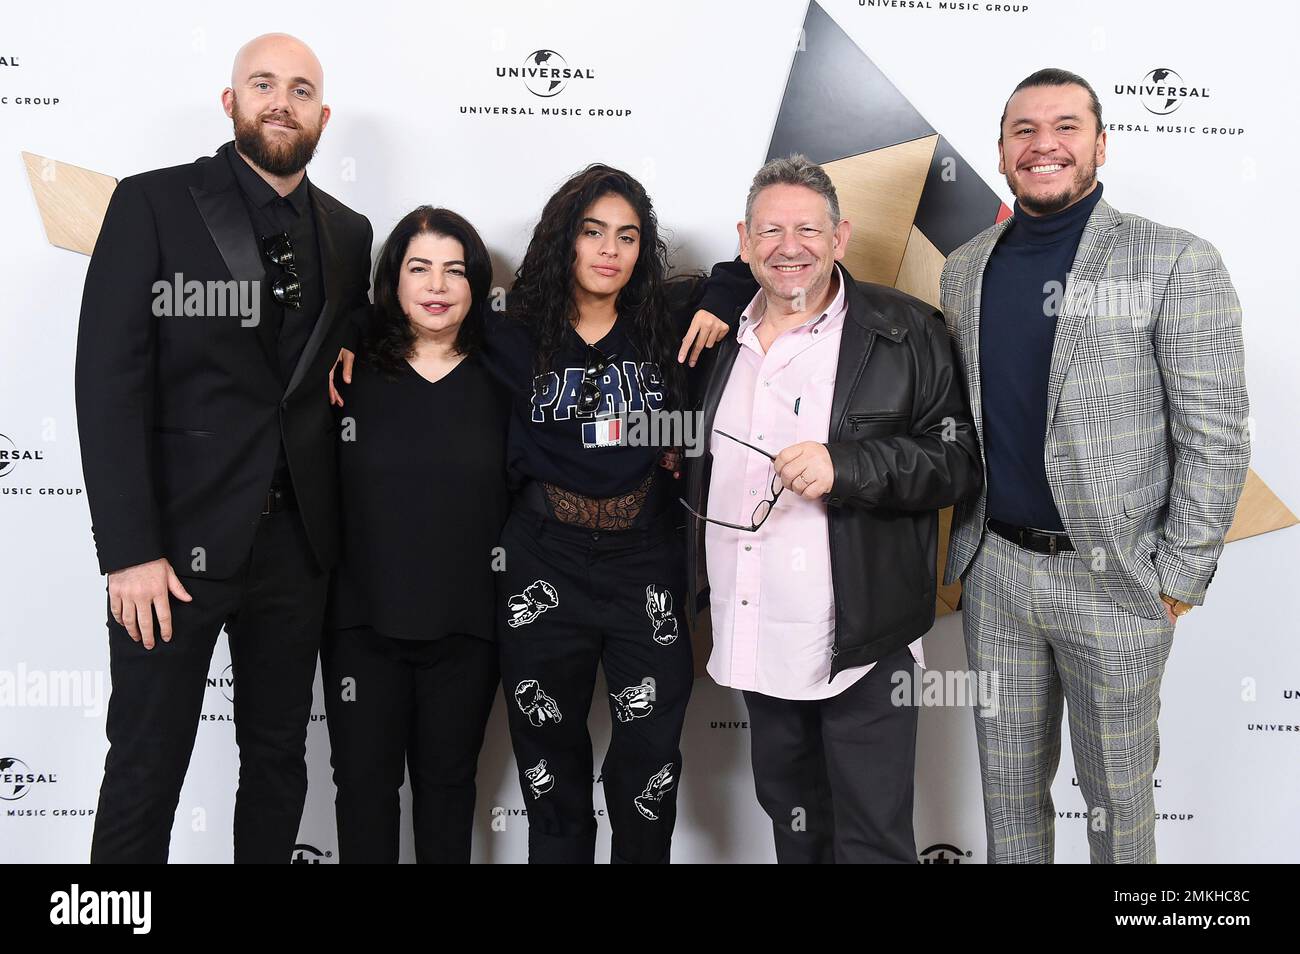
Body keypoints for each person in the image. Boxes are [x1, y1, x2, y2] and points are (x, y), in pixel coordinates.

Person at [74, 33, 373, 863]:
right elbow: (107, 382)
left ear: (323, 114)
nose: (283, 101)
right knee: (146, 763)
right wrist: (129, 550)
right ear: (230, 101)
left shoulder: (349, 232)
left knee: (278, 763)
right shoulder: (153, 203)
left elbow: (337, 334)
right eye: (264, 84)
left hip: (297, 548)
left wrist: (352, 341)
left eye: (302, 89)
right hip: (171, 553)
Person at [939, 68, 1250, 863]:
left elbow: (1215, 434)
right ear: (1003, 153)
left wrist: (1177, 575)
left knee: (1117, 800)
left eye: (1066, 127)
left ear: (1100, 143)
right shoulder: (965, 268)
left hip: (1115, 580)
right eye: (1024, 131)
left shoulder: (1175, 259)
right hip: (997, 573)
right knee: (1007, 796)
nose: (1045, 145)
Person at [683, 155, 981, 863]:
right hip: (753, 632)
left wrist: (846, 465)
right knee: (797, 833)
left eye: (809, 229)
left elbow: (959, 462)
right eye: (771, 230)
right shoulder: (714, 338)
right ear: (745, 239)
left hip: (862, 641)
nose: (790, 246)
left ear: (840, 236)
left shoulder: (907, 330)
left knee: (872, 842)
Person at [480, 164, 724, 863]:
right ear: (567, 239)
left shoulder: (670, 318)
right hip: (542, 551)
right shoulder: (513, 332)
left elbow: (743, 273)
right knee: (548, 760)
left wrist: (724, 299)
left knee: (649, 761)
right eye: (593, 233)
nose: (610, 250)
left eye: (627, 235)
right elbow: (409, 307)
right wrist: (349, 335)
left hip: (644, 553)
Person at [322, 207, 505, 863]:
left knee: (449, 790)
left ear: (477, 282)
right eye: (419, 268)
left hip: (467, 628)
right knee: (364, 792)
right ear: (392, 281)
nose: (437, 285)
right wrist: (346, 331)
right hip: (360, 626)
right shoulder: (346, 370)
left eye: (455, 270)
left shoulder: (504, 369)